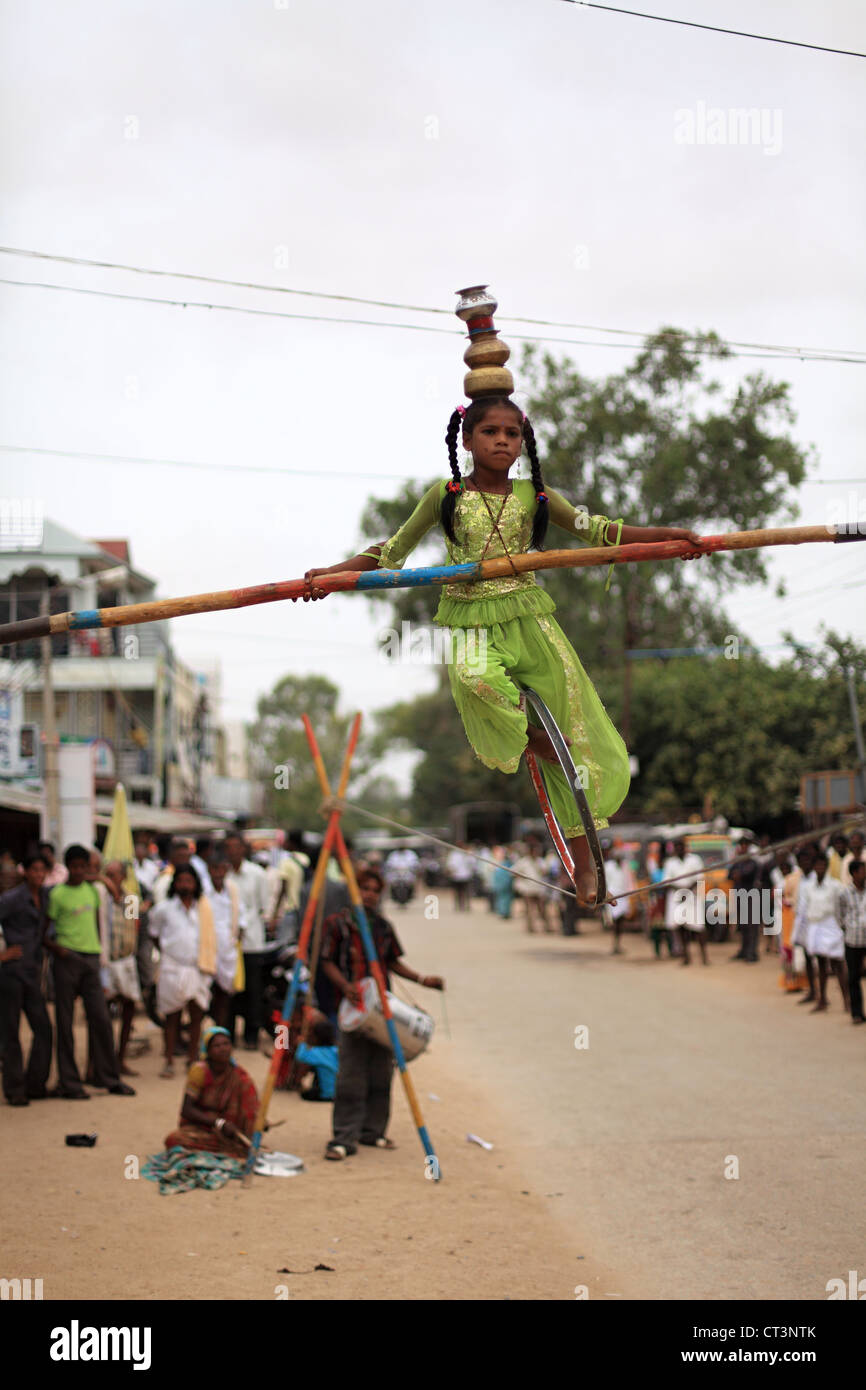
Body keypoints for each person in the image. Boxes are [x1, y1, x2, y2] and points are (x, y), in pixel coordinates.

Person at [303, 378, 701, 905]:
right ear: (466, 439)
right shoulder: (445, 497)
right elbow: (389, 553)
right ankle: (535, 743)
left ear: (522, 441)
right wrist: (331, 575)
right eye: (490, 431)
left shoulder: (535, 496)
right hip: (471, 621)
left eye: (512, 433)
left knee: (576, 733)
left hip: (532, 619)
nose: (502, 441)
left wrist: (674, 538)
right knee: (474, 678)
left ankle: (585, 866)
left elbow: (602, 532)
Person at [320, 866, 444, 1159]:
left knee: (380, 1072)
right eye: (365, 889)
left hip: (382, 1009)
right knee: (350, 1075)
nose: (370, 895)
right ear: (355, 890)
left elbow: (393, 963)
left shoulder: (382, 927)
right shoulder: (338, 924)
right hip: (353, 1009)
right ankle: (343, 1138)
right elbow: (326, 961)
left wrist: (424, 980)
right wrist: (346, 985)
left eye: (376, 891)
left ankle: (372, 1131)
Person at [45, 844, 135, 1098]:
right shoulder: (59, 894)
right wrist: (60, 950)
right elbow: (47, 929)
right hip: (72, 959)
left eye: (115, 873)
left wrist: (102, 957)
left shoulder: (126, 896)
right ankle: (70, 1082)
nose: (82, 871)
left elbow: (130, 923)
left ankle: (109, 1075)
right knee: (66, 1022)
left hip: (110, 959)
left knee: (103, 1019)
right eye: (110, 873)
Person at [148, 864, 215, 1077]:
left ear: (195, 884)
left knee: (197, 1015)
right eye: (181, 881)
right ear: (174, 884)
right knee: (171, 1017)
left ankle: (192, 1059)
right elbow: (154, 934)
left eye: (189, 881)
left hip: (197, 967)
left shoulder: (204, 908)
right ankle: (168, 1060)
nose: (185, 885)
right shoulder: (164, 909)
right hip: (172, 967)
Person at [0, 853, 53, 1105]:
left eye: (43, 871)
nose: (39, 875)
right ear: (26, 871)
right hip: (11, 974)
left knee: (43, 1027)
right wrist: (2, 955)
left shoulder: (45, 896)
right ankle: (15, 1089)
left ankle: (35, 1084)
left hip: (32, 972)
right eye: (35, 870)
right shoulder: (11, 898)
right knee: (10, 1032)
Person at [163, 1025, 258, 1159]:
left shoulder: (239, 1076)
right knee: (173, 1140)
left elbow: (250, 1107)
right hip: (202, 1126)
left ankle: (232, 1145)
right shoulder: (199, 1071)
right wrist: (219, 1123)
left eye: (226, 1044)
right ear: (207, 1050)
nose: (223, 1049)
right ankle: (229, 1148)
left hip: (230, 1131)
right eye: (217, 1046)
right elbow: (187, 1109)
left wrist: (254, 1122)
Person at [222, 832, 271, 1050]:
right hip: (228, 943)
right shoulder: (222, 875)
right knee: (230, 991)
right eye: (229, 847)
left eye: (236, 847)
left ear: (244, 849)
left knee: (253, 990)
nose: (233, 851)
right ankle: (228, 1034)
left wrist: (246, 925)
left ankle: (252, 1035)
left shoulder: (257, 874)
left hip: (252, 942)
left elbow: (264, 907)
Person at [99, 859, 142, 1075]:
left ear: (123, 876)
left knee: (129, 1008)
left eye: (113, 874)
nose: (110, 877)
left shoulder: (131, 900)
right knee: (102, 1013)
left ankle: (120, 1058)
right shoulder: (101, 897)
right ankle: (98, 1063)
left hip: (126, 960)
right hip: (107, 961)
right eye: (107, 874)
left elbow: (134, 928)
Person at [794, 851, 848, 1014]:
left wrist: (842, 924)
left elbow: (844, 903)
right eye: (817, 865)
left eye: (822, 865)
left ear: (826, 867)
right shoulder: (809, 887)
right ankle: (822, 999)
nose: (819, 868)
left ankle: (847, 1000)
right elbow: (803, 909)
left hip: (831, 924)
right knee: (821, 965)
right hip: (814, 926)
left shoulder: (835, 885)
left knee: (838, 963)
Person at [207, 855, 245, 1028]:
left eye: (222, 868)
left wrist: (235, 944)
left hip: (228, 950)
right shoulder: (203, 891)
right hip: (206, 950)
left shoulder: (233, 891)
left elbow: (242, 920)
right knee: (205, 996)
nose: (218, 873)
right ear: (209, 869)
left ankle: (222, 1031)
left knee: (225, 996)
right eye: (215, 868)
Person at [662, 839, 704, 961]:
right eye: (677, 847)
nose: (680, 849)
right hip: (676, 898)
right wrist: (680, 891)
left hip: (692, 896)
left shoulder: (695, 859)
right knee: (681, 928)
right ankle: (686, 956)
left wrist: (687, 890)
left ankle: (704, 956)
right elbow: (667, 881)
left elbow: (699, 877)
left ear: (685, 847)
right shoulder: (670, 863)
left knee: (698, 927)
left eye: (682, 846)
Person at [267, 830, 310, 942]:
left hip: (291, 908)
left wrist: (274, 915)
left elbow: (283, 889)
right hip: (305, 909)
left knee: (285, 944)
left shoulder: (286, 862)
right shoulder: (306, 859)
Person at [840, 859, 866, 1024]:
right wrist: (848, 928)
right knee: (853, 977)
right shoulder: (845, 893)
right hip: (852, 939)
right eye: (862, 870)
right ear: (854, 873)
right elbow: (840, 916)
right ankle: (857, 1013)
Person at [728, 839, 761, 963]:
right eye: (741, 845)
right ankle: (744, 951)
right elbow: (730, 875)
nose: (742, 847)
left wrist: (739, 875)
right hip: (739, 898)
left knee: (752, 926)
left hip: (751, 898)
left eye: (745, 845)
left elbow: (747, 874)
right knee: (743, 927)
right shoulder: (736, 863)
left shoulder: (753, 863)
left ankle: (752, 953)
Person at [512, 837, 553, 933]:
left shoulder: (540, 861)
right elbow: (514, 872)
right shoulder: (523, 861)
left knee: (542, 909)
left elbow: (546, 871)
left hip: (539, 889)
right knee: (529, 910)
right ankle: (531, 928)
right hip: (528, 889)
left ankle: (547, 927)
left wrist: (541, 870)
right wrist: (522, 877)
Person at [295, 1014, 339, 1101]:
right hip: (339, 1093)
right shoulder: (335, 1050)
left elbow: (300, 1056)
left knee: (304, 1094)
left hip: (326, 1095)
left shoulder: (318, 1052)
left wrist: (302, 1044)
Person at [602, 845, 630, 956]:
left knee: (621, 921)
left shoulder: (625, 866)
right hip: (612, 896)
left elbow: (628, 882)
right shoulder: (608, 866)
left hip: (623, 896)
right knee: (613, 921)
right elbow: (605, 882)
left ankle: (618, 943)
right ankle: (614, 944)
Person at [446, 842, 474, 912]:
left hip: (466, 876)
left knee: (466, 892)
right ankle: (458, 906)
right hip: (456, 876)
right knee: (457, 892)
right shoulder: (454, 854)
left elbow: (472, 863)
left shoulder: (468, 854)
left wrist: (467, 855)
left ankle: (467, 906)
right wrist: (451, 870)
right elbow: (450, 864)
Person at [491, 845, 515, 920]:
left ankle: (506, 913)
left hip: (507, 884)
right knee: (500, 898)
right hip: (500, 884)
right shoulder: (495, 862)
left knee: (507, 898)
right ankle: (502, 912)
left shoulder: (508, 863)